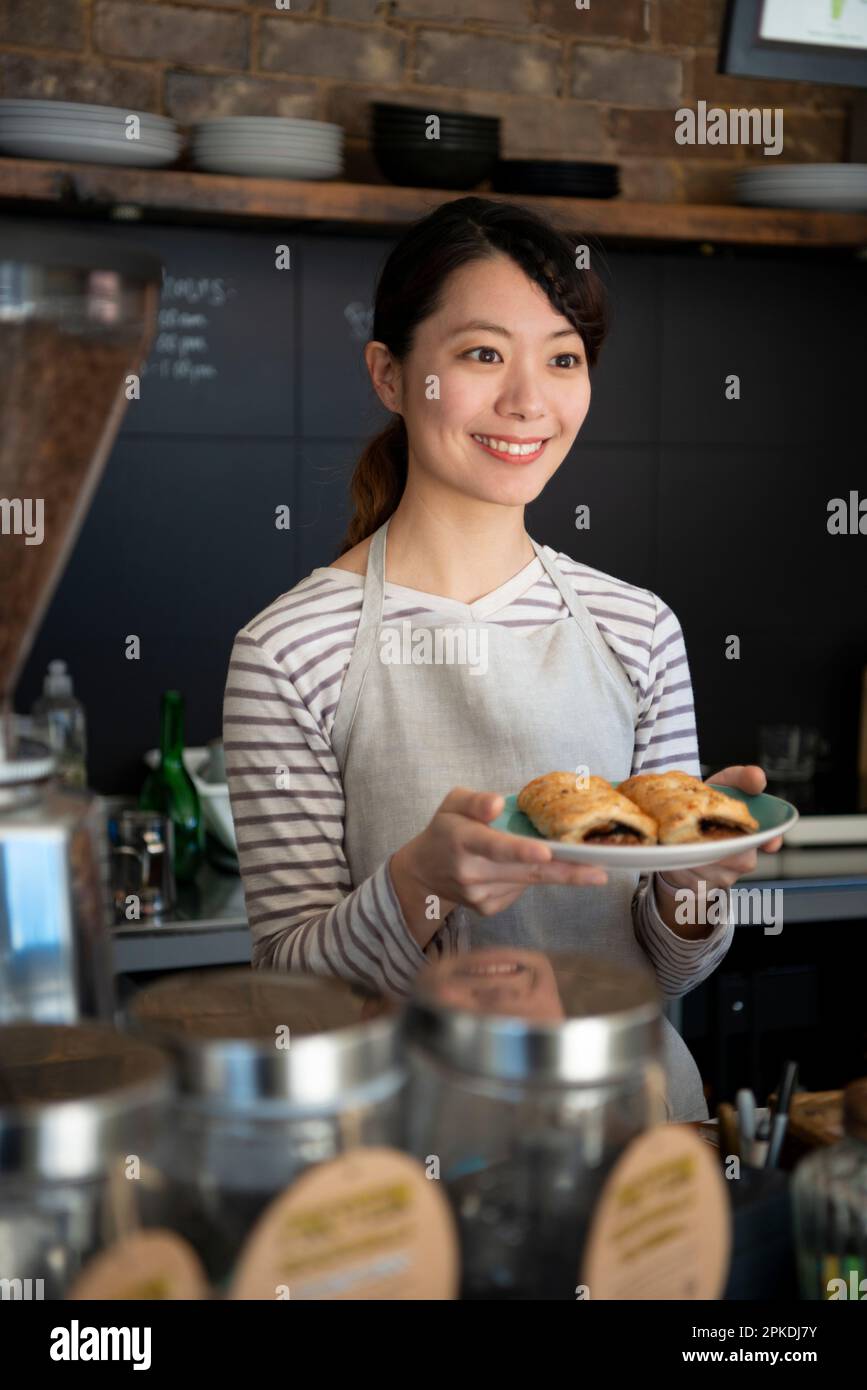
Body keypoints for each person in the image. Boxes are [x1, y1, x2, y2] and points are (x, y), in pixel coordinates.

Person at [223, 196, 782, 1121]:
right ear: (392, 376)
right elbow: (294, 994)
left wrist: (689, 887)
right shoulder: (287, 648)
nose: (528, 400)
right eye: (482, 353)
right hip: (415, 1160)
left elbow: (673, 964)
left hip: (637, 1135)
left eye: (562, 358)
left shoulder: (635, 625)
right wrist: (420, 884)